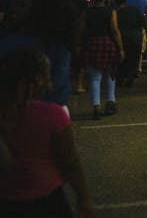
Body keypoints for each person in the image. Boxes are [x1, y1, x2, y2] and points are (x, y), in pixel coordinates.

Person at [0, 49, 95, 216]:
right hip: (47, 199)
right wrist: (83, 196)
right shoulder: (53, 115)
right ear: (34, 80)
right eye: (46, 75)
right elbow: (70, 161)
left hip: (7, 199)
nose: (49, 81)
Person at [76, 0, 124, 120]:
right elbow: (115, 31)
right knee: (110, 75)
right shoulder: (111, 11)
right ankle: (110, 102)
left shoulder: (86, 12)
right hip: (108, 43)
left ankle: (96, 106)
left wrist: (79, 45)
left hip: (91, 43)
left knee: (94, 77)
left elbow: (81, 29)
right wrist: (120, 48)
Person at [114, 0, 147, 87]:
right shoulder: (134, 10)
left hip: (121, 39)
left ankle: (120, 78)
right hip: (135, 38)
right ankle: (130, 77)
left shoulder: (115, 12)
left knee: (122, 59)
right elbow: (144, 21)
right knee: (134, 58)